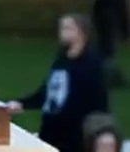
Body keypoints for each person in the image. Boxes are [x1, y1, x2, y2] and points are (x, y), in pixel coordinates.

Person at [7, 13, 110, 152]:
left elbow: (99, 102)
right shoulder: (61, 61)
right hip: (51, 133)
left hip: (74, 138)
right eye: (61, 28)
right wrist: (22, 104)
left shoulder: (91, 64)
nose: (62, 32)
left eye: (67, 28)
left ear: (81, 32)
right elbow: (48, 94)